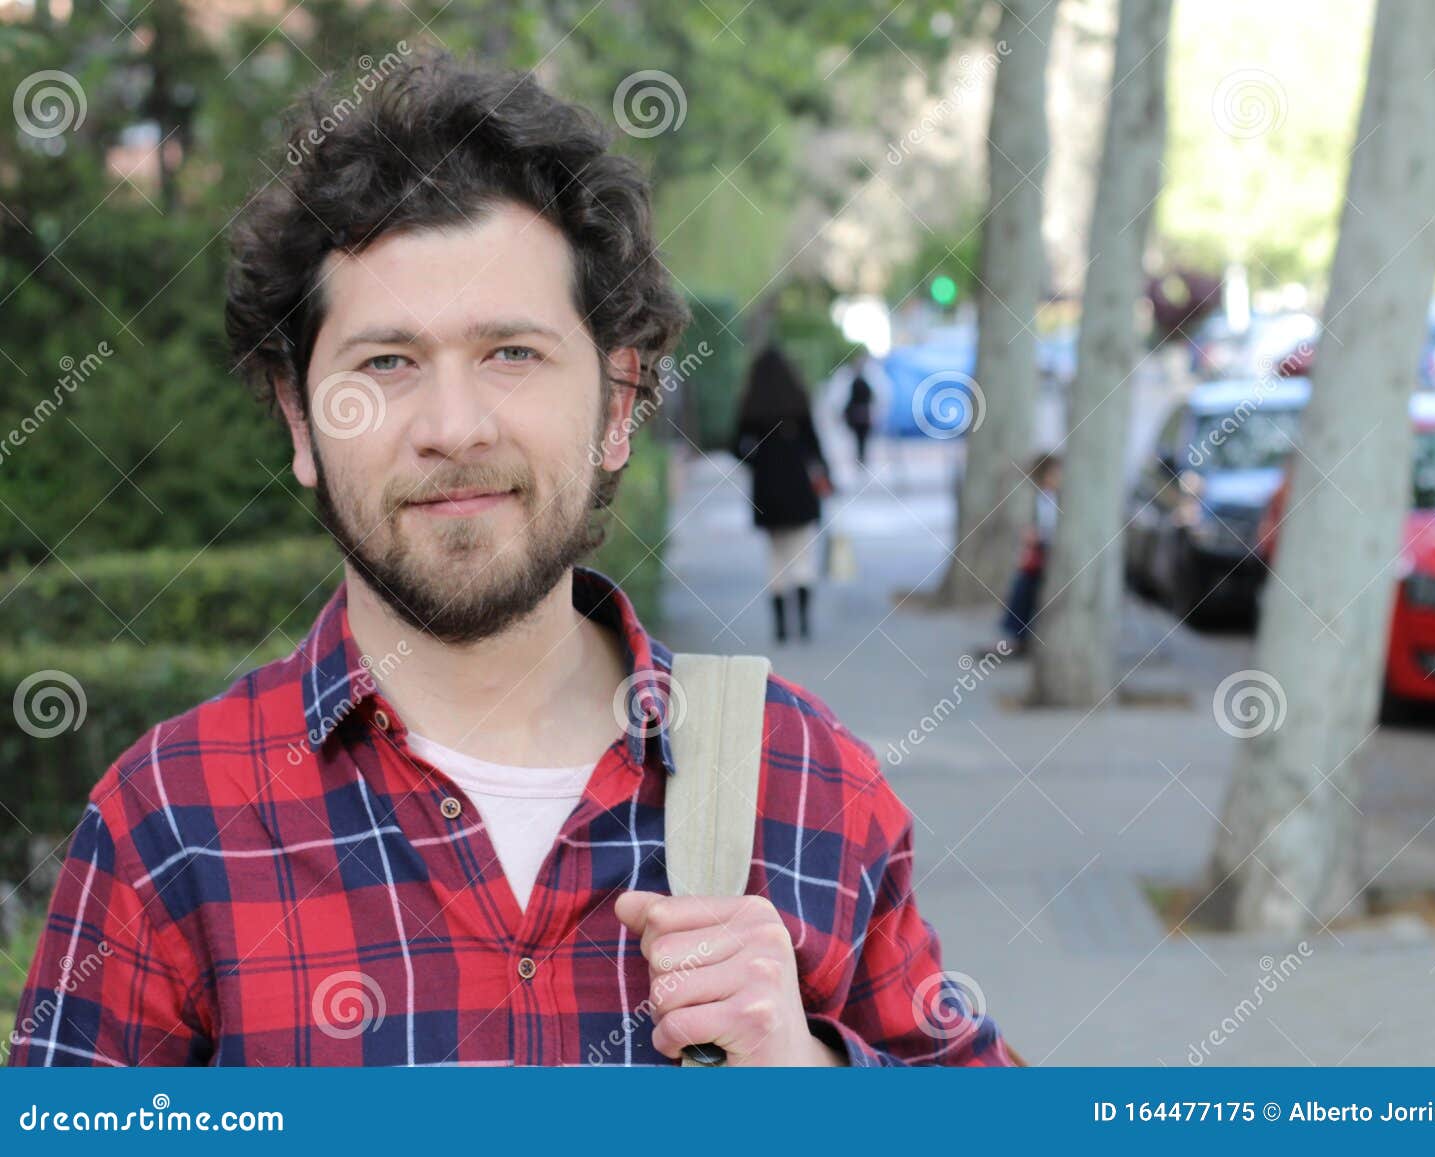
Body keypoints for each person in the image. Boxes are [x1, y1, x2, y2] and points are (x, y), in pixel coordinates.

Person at [8, 51, 1009, 1068]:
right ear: (301, 420)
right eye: (386, 362)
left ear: (617, 405)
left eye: (512, 354)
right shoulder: (168, 824)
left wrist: (815, 1078)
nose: (455, 427)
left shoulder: (805, 781)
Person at [733, 344, 831, 644]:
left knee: (775, 556)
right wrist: (827, 477)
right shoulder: (798, 401)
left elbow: (735, 446)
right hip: (799, 486)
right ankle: (803, 622)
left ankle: (780, 628)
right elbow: (815, 445)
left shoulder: (752, 405)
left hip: (767, 489)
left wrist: (757, 463)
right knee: (802, 554)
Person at [998, 452, 1062, 655]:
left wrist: (1039, 536)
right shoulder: (1042, 498)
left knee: (1026, 584)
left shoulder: (1056, 499)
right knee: (1023, 583)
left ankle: (1019, 636)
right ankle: (1017, 634)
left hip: (1051, 553)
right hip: (1042, 552)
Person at [841, 361, 875, 469]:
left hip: (857, 416)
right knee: (862, 440)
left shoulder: (855, 384)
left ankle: (861, 458)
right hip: (863, 416)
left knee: (859, 440)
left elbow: (851, 400)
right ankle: (862, 458)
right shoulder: (865, 384)